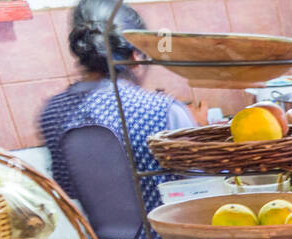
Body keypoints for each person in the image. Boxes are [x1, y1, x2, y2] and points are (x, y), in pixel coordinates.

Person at [39, 0, 192, 211]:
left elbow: (68, 188)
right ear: (136, 56)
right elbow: (199, 185)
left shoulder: (52, 113)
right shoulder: (162, 109)